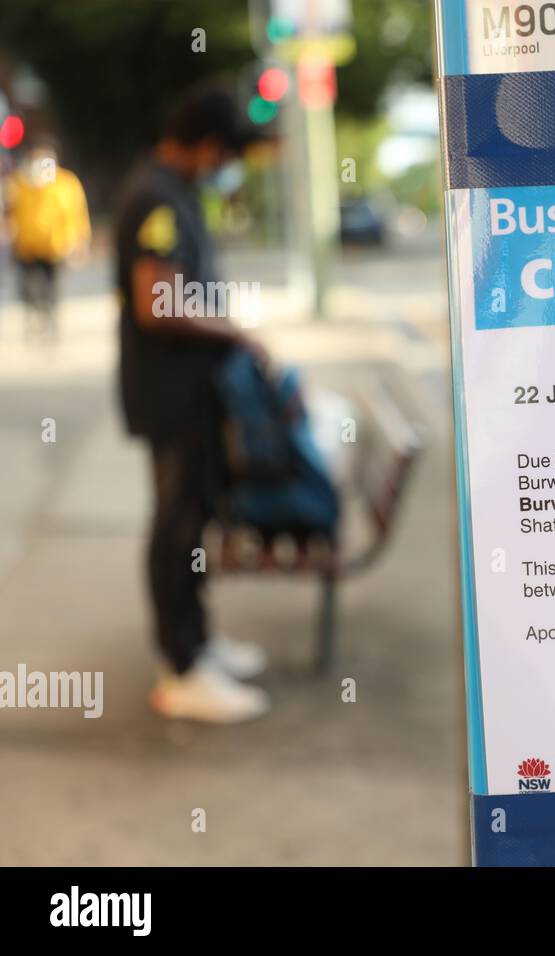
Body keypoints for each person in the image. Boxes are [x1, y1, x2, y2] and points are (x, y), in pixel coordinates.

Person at [114, 87, 271, 723]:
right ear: (208, 144)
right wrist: (236, 332)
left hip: (189, 394)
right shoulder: (155, 198)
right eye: (226, 155)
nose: (224, 166)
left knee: (193, 517)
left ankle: (199, 646)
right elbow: (159, 303)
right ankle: (181, 669)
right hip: (170, 395)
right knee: (178, 528)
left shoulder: (174, 191)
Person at [3, 139, 91, 341]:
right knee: (29, 287)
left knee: (51, 288)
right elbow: (10, 211)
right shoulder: (19, 183)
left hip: (55, 247)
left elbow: (78, 214)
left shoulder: (66, 183)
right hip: (27, 247)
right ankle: (36, 316)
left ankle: (50, 322)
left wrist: (80, 242)